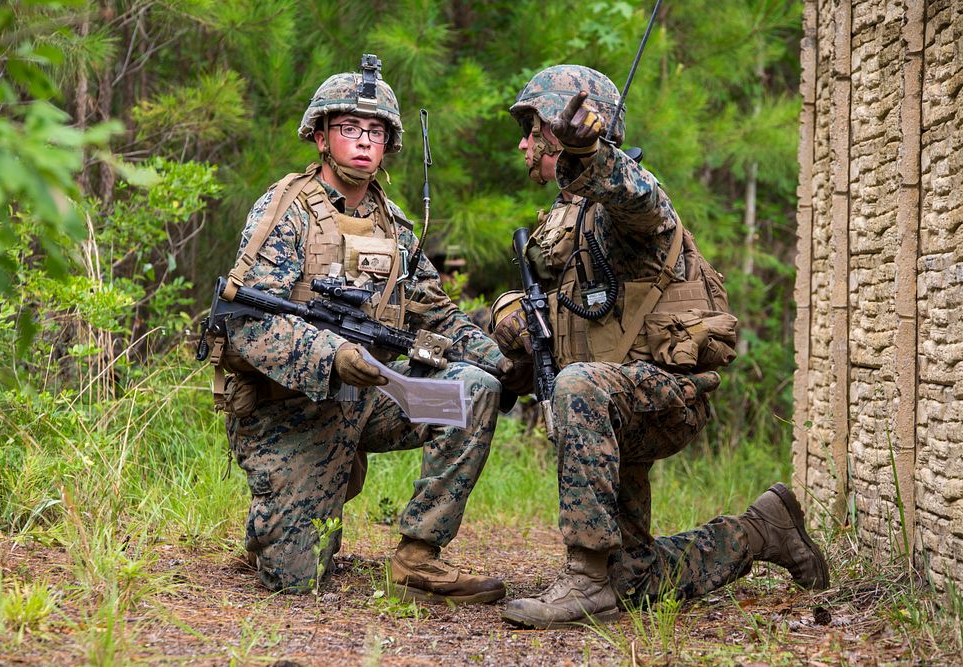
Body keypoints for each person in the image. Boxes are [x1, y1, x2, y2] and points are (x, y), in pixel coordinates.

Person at [491, 65, 829, 628]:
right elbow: (572, 319)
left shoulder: (628, 203)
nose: (524, 144)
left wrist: (589, 152)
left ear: (563, 132)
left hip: (664, 396)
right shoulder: (565, 219)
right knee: (638, 578)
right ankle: (762, 530)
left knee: (579, 386)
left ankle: (585, 576)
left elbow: (639, 199)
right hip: (614, 401)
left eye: (533, 129)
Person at [217, 57, 509, 603]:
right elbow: (246, 324)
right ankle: (275, 518)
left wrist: (499, 360)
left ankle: (418, 558)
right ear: (322, 137)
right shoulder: (285, 211)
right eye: (349, 129)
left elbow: (434, 312)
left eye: (374, 132)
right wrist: (330, 354)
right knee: (298, 582)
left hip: (372, 398)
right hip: (291, 410)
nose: (363, 142)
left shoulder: (393, 225)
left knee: (474, 392)